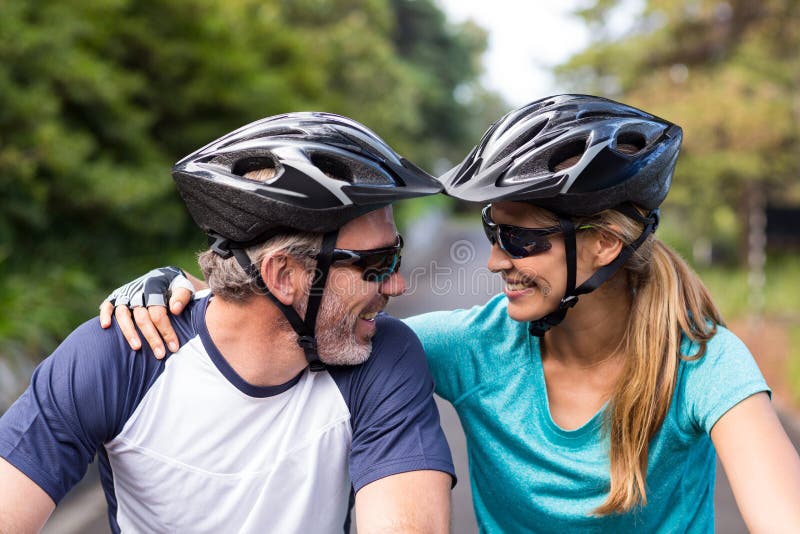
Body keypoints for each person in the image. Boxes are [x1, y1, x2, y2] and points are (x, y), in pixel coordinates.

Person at [101, 95, 800, 532]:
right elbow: (305, 317)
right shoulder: (473, 348)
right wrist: (181, 285)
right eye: (494, 234)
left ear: (603, 244)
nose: (495, 262)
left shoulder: (702, 363)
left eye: (521, 238)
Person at [0, 112, 456, 533]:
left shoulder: (382, 355)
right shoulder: (123, 353)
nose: (396, 286)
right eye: (377, 262)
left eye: (395, 253)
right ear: (284, 275)